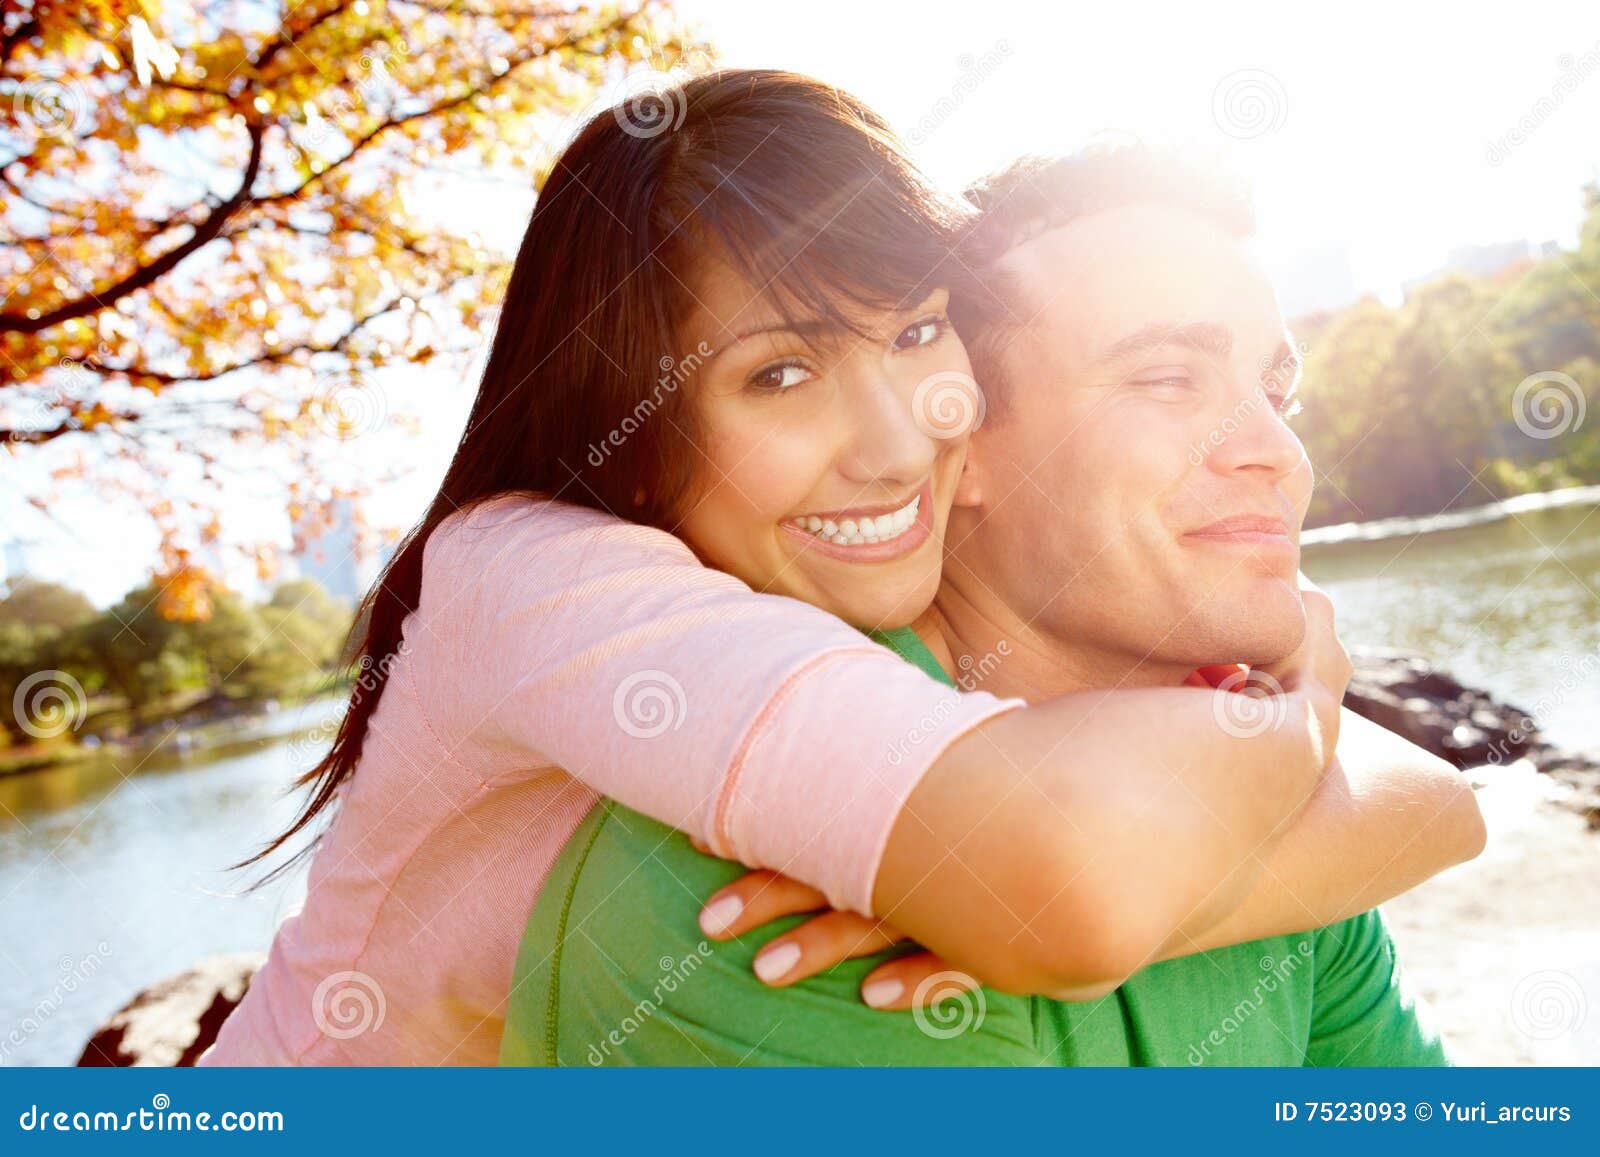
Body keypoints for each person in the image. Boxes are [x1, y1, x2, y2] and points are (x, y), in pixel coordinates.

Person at [205, 72, 1474, 1067]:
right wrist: (1298, 701)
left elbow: (1437, 802)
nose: (898, 439)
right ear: (635, 439)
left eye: (918, 330)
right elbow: (1064, 882)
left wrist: (1236, 813)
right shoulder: (538, 583)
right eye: (781, 373)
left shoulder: (1060, 739)